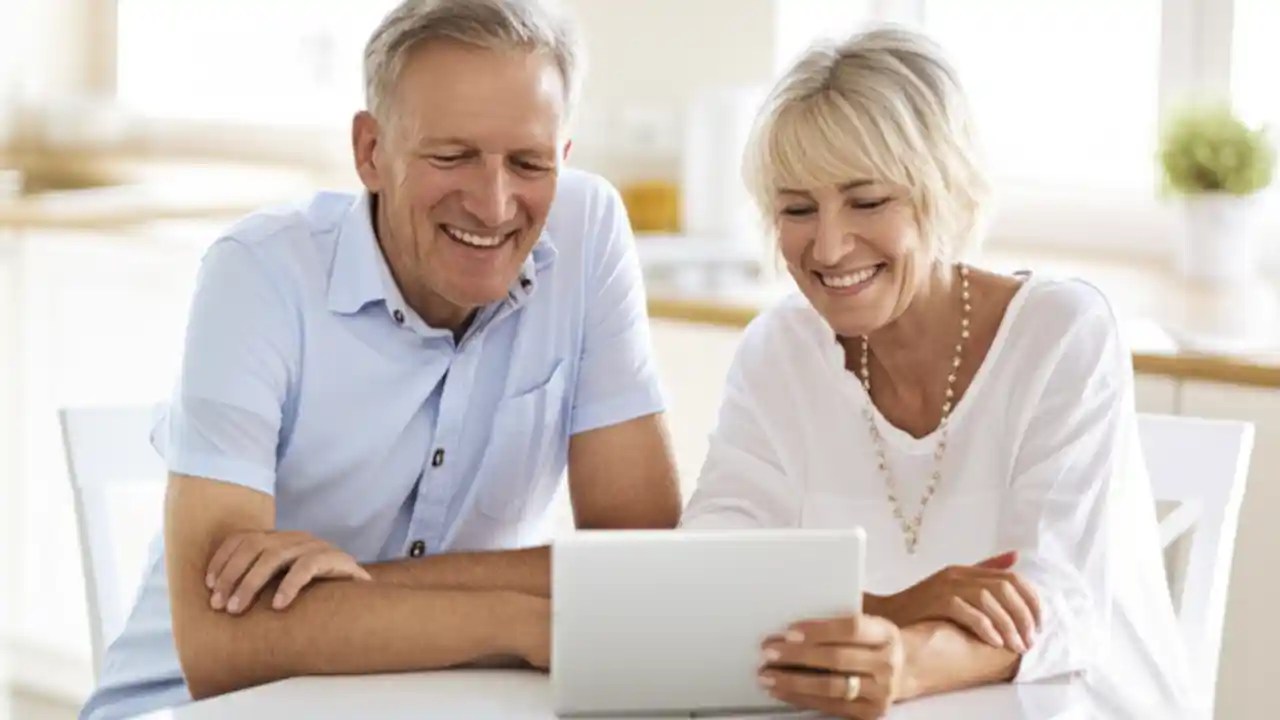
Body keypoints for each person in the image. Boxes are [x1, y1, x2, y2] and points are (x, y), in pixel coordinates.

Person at [81, 1, 683, 717]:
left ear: (564, 157)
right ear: (370, 151)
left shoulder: (588, 232)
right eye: (451, 156)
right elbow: (218, 646)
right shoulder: (260, 272)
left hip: (437, 697)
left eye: (527, 162)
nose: (494, 205)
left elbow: (645, 568)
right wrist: (521, 620)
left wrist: (356, 593)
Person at [680, 27, 1193, 719]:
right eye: (798, 209)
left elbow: (1058, 601)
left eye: (867, 201)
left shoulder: (1060, 332)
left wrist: (904, 661)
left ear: (941, 192)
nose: (828, 246)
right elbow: (710, 569)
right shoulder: (780, 350)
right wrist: (891, 612)